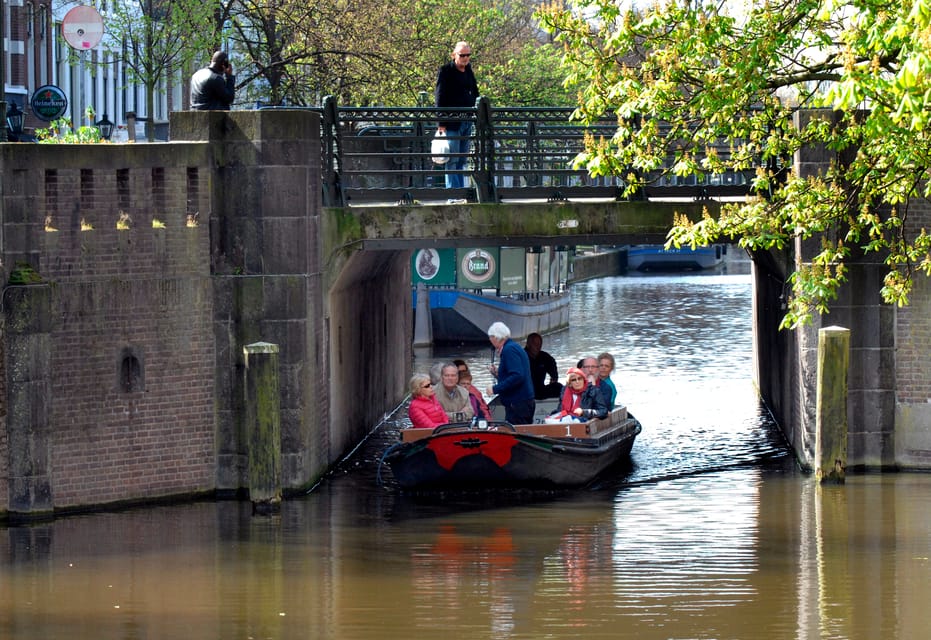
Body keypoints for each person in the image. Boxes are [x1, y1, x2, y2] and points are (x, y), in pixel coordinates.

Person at [434, 41, 479, 190]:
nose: (465, 58)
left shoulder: (468, 70)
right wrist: (441, 123)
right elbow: (439, 97)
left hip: (467, 120)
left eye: (468, 55)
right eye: (462, 55)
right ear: (454, 55)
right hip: (452, 121)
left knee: (461, 160)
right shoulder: (446, 71)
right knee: (452, 160)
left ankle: (460, 192)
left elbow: (474, 91)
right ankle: (453, 194)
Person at [486, 322, 535, 425]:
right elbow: (517, 373)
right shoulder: (514, 347)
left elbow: (518, 376)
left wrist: (495, 389)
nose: (490, 340)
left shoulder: (509, 350)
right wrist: (498, 374)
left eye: (490, 337)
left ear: (496, 337)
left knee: (517, 434)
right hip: (522, 402)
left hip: (517, 403)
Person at [525, 332, 562, 400]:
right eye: (535, 344)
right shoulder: (520, 356)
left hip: (539, 390)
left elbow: (552, 364)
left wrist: (554, 378)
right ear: (528, 344)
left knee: (559, 387)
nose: (538, 347)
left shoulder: (544, 357)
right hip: (524, 391)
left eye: (540, 345)